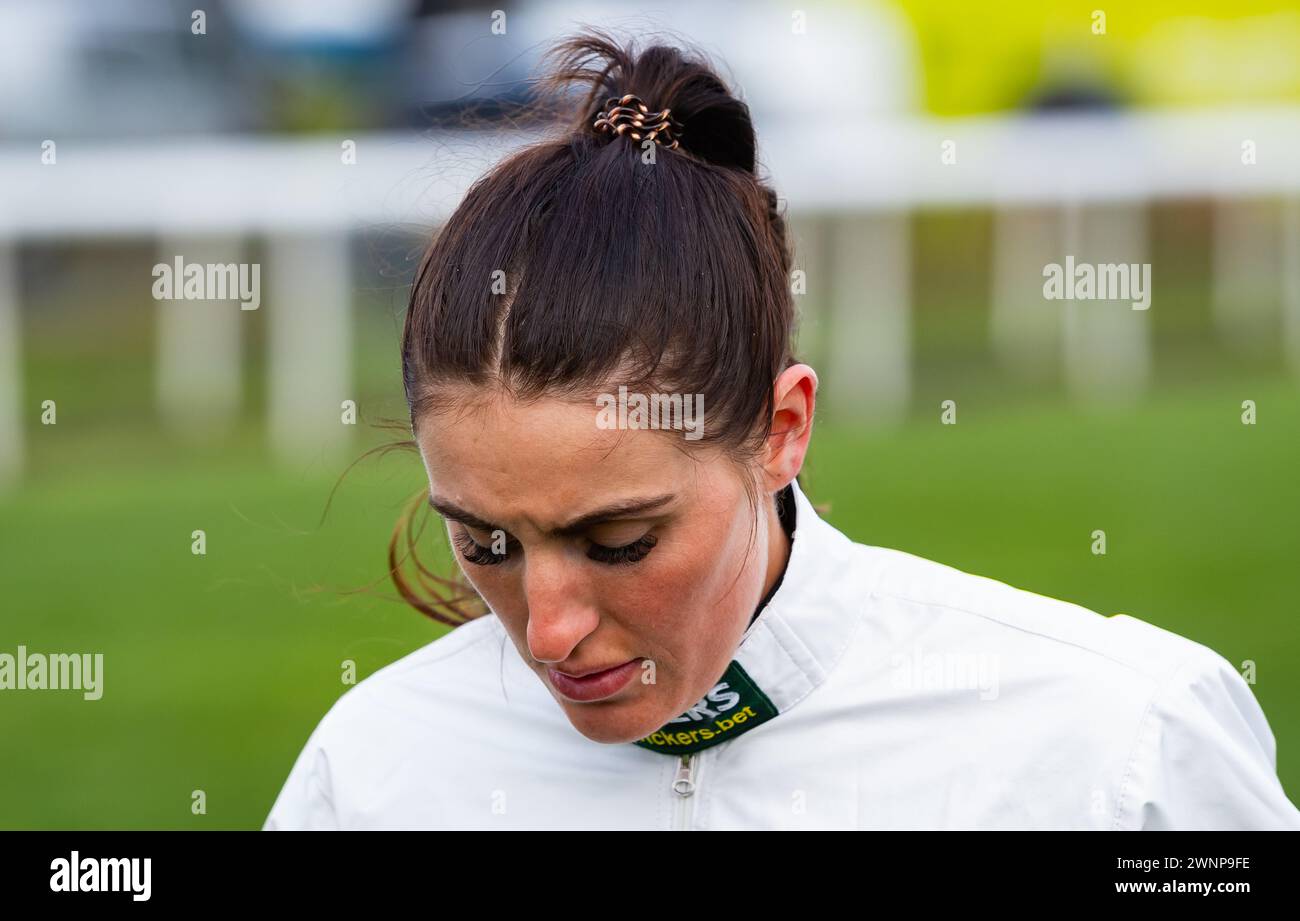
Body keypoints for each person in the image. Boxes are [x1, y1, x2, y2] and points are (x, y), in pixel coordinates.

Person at [264, 31, 1300, 830]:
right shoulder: (373, 771)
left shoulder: (1118, 738)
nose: (547, 630)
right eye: (486, 542)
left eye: (619, 541)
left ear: (780, 426)